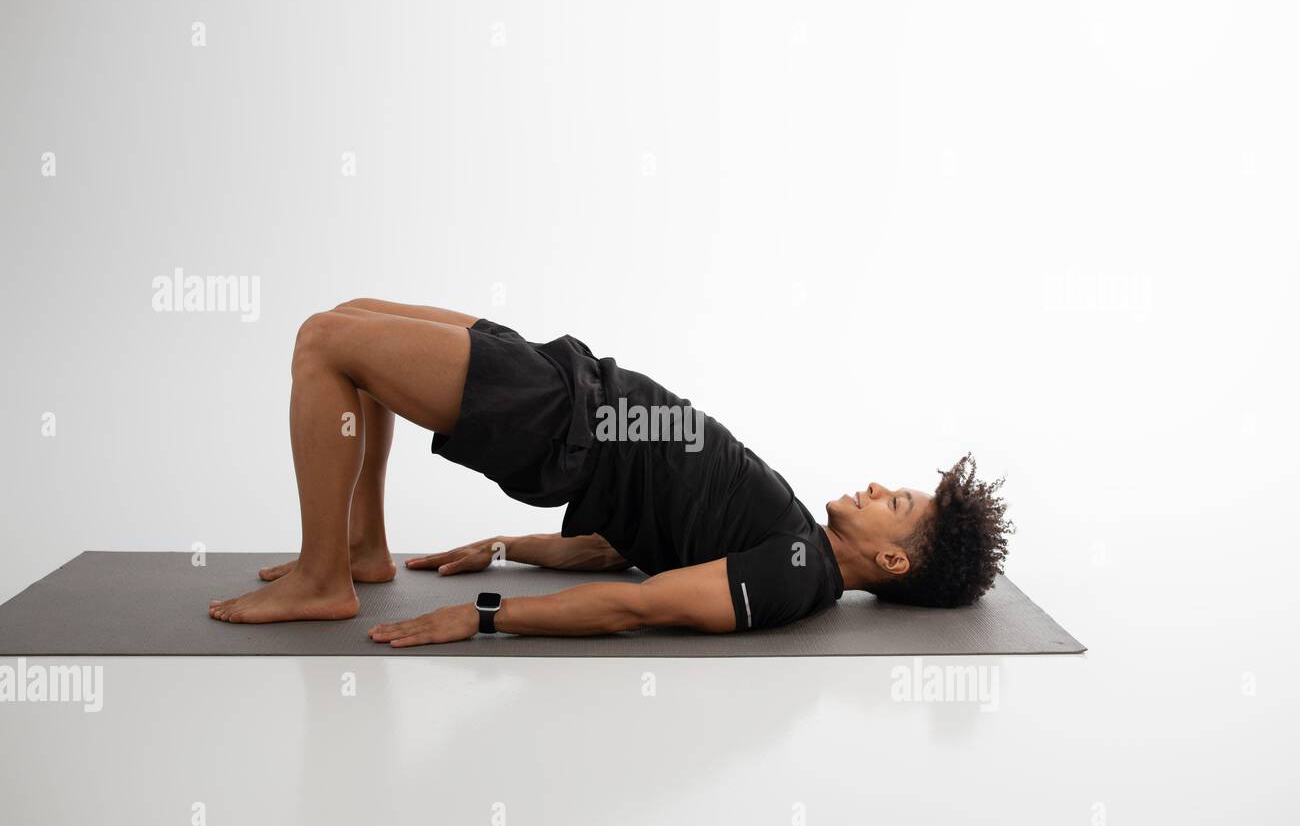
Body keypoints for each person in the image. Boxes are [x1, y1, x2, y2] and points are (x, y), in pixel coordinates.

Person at [208, 299, 1013, 645]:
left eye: (896, 502)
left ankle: (324, 579)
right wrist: (504, 546)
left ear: (895, 559)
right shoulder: (790, 535)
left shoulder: (792, 574)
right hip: (574, 384)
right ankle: (360, 550)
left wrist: (487, 618)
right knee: (353, 321)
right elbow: (621, 548)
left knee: (326, 341)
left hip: (563, 419)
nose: (876, 487)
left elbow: (641, 604)